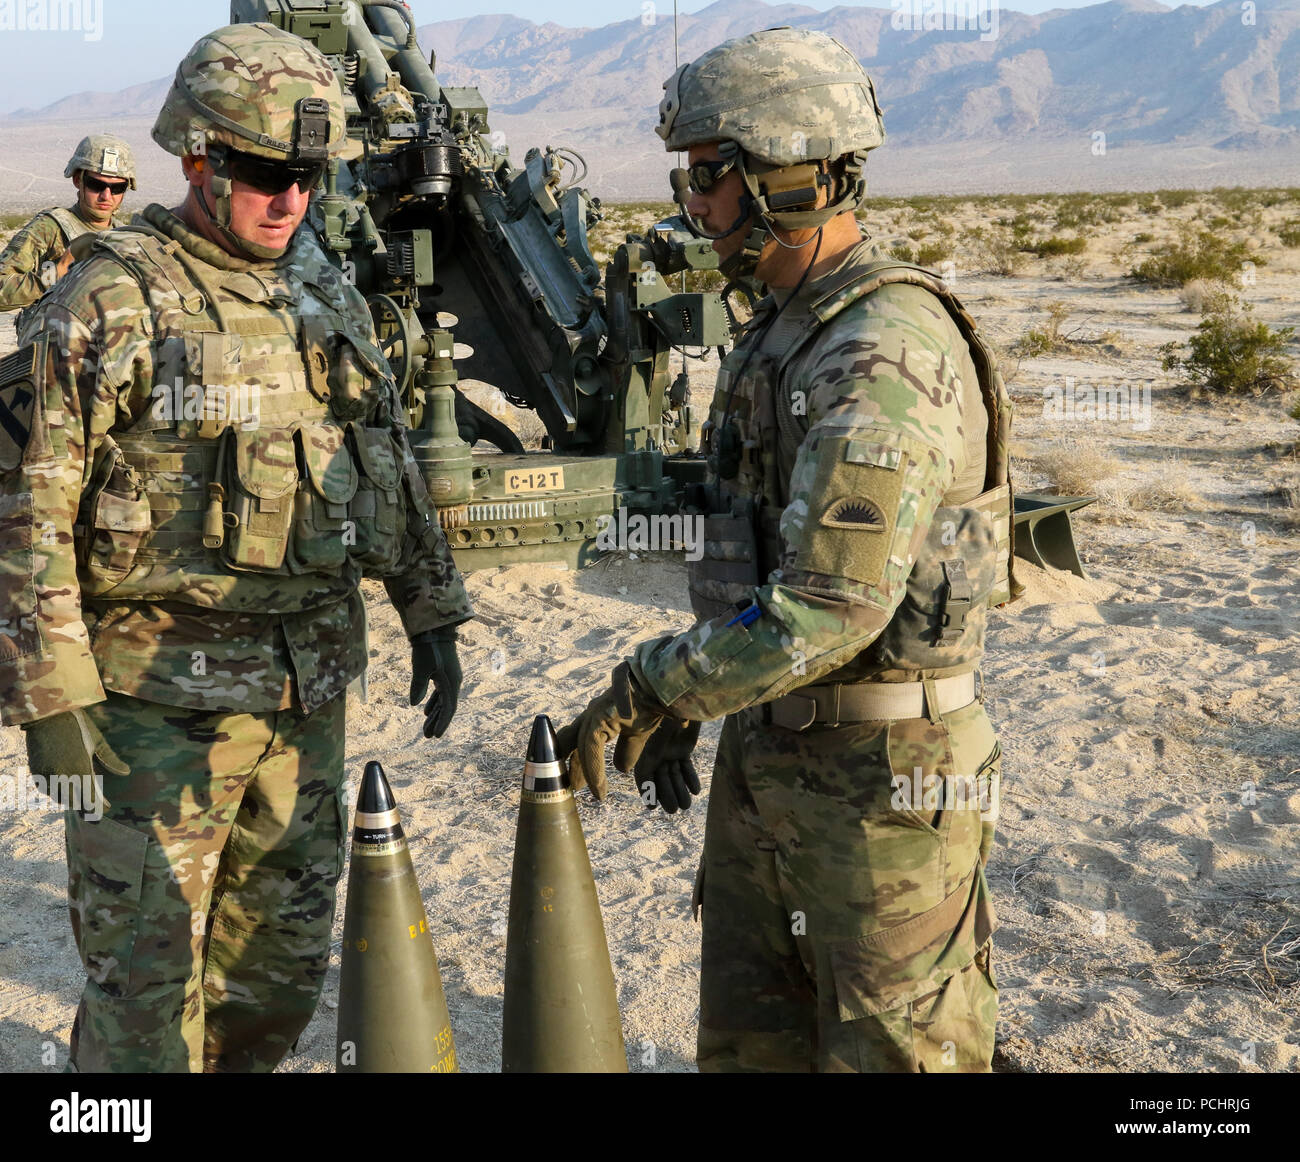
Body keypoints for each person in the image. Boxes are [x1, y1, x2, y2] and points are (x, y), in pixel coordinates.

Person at [0, 23, 472, 1073]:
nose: (291, 199)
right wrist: (48, 694)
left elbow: (386, 461)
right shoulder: (110, 295)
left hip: (305, 697)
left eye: (308, 175)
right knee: (142, 995)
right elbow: (29, 506)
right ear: (199, 159)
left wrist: (429, 610)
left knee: (275, 977)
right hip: (150, 712)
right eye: (266, 172)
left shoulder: (325, 292)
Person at [557, 27, 1019, 1073]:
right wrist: (713, 695)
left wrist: (656, 689)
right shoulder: (783, 328)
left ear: (789, 174)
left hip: (881, 793)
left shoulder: (878, 351)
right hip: (774, 758)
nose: (694, 205)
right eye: (688, 177)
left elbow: (828, 604)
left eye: (710, 176)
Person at [0, 135, 136, 314]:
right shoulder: (49, 228)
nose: (106, 196)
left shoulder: (125, 237)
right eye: (96, 184)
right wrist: (56, 274)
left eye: (117, 188)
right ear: (78, 180)